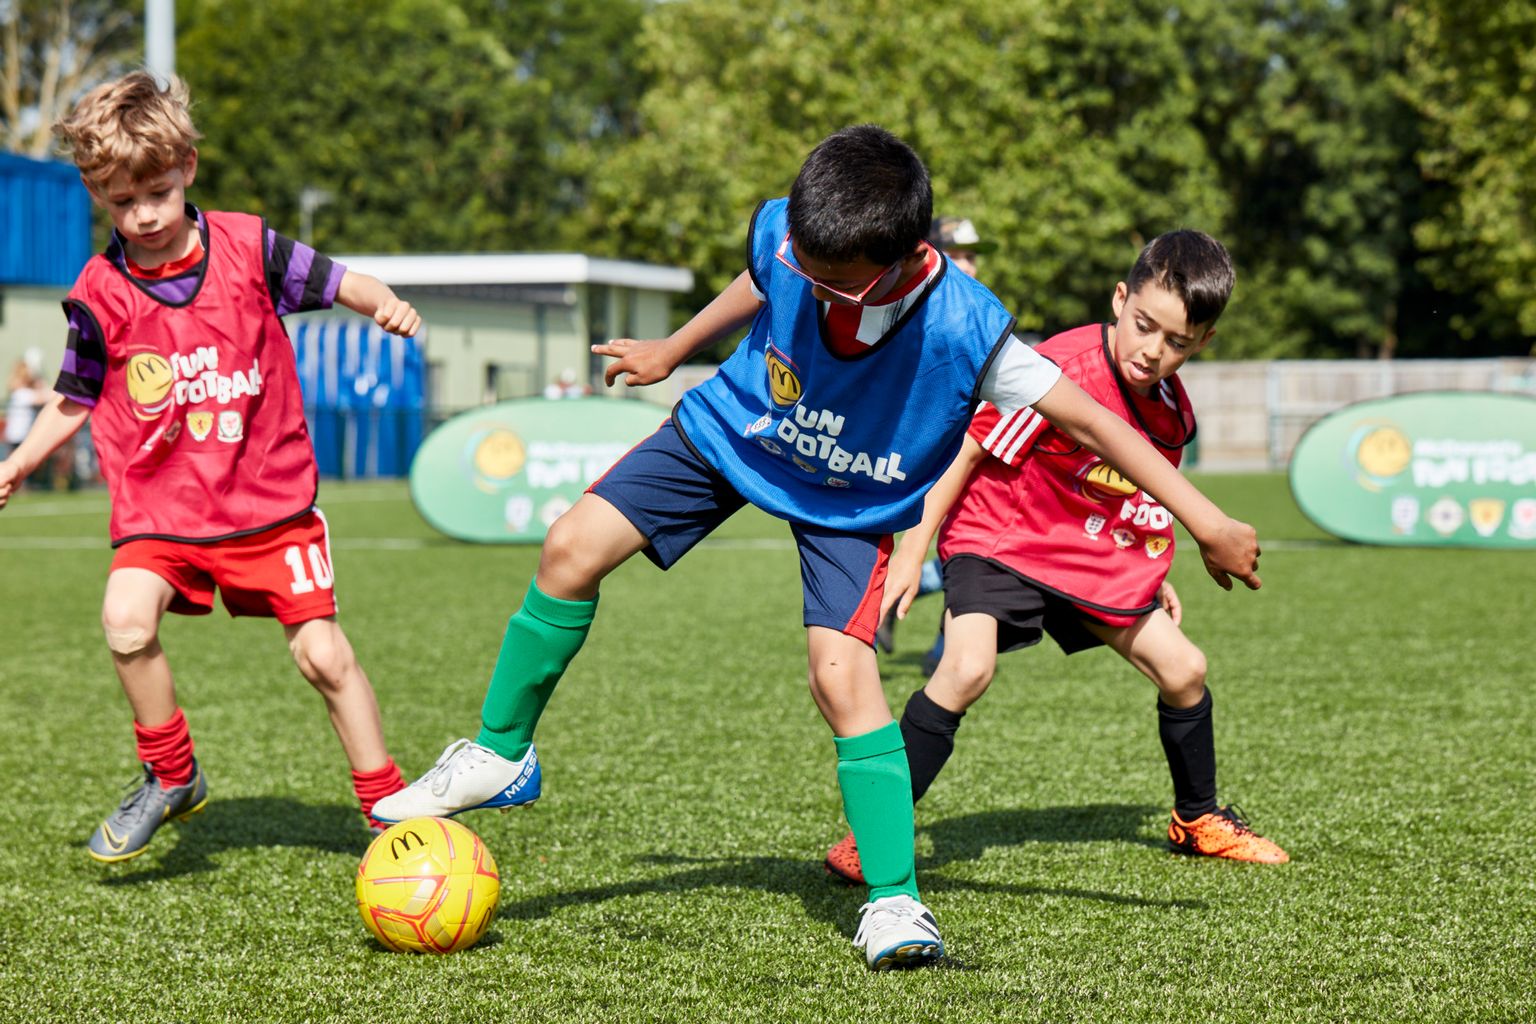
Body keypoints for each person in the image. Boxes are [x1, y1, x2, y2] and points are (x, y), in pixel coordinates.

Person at [373, 125, 1262, 970]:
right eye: (799, 254)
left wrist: (1206, 521)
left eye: (829, 279)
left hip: (854, 488)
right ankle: (501, 753)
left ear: (905, 264)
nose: (805, 274)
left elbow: (1103, 426)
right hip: (740, 428)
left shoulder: (967, 327)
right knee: (570, 546)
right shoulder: (791, 235)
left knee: (840, 675)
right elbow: (760, 278)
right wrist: (672, 348)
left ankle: (893, 900)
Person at [0, 72, 421, 863]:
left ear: (187, 165)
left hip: (270, 504)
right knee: (126, 621)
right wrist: (16, 462)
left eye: (156, 192)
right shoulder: (99, 290)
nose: (144, 215)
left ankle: (386, 806)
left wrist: (383, 302)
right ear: (99, 195)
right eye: (122, 203)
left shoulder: (248, 247)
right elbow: (73, 397)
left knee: (322, 656)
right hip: (165, 510)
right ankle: (171, 774)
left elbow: (341, 280)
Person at [824, 230, 1288, 888]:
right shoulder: (1062, 369)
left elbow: (1142, 497)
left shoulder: (1171, 411)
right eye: (1144, 326)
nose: (1154, 350)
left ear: (1203, 342)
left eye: (1177, 342)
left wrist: (1153, 577)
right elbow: (970, 451)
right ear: (1120, 299)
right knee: (966, 668)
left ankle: (1198, 819)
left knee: (1184, 669)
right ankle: (872, 835)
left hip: (1089, 552)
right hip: (1001, 537)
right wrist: (912, 549)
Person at [872, 215, 993, 663]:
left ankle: (937, 643)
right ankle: (942, 648)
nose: (970, 266)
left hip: (978, 451)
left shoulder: (978, 310)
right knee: (971, 549)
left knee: (971, 546)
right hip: (929, 456)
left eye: (972, 256)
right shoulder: (909, 309)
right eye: (958, 254)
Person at [3, 356, 50, 461]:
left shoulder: (20, 392)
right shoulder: (22, 393)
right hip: (19, 438)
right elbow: (46, 397)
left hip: (18, 437)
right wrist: (41, 381)